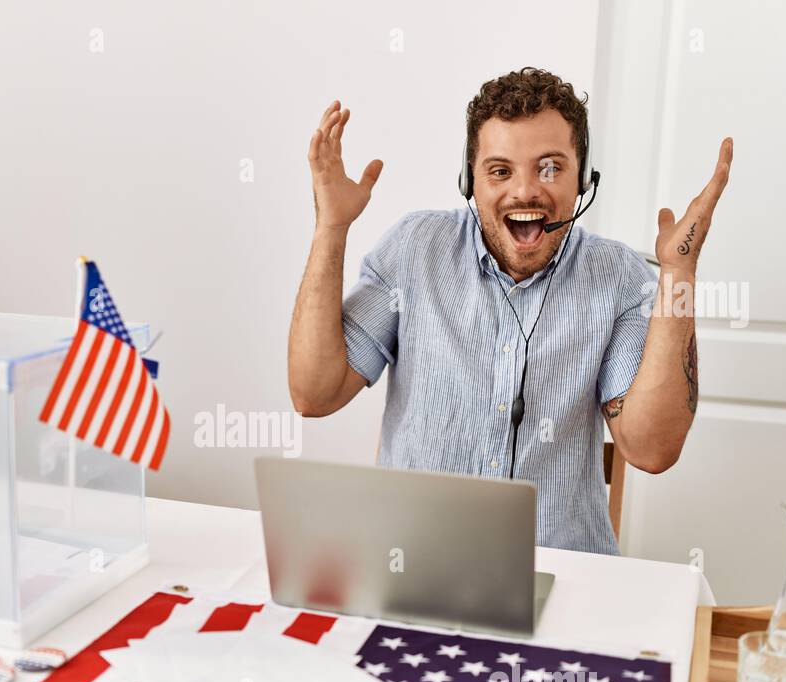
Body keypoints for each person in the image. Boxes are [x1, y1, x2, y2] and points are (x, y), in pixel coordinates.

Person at [286, 67, 733, 555]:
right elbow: (314, 393)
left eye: (550, 168)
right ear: (468, 181)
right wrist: (331, 227)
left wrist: (679, 273)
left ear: (582, 179)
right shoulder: (414, 251)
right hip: (413, 566)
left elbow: (652, 449)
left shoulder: (620, 279)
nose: (525, 191)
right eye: (501, 171)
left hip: (564, 576)